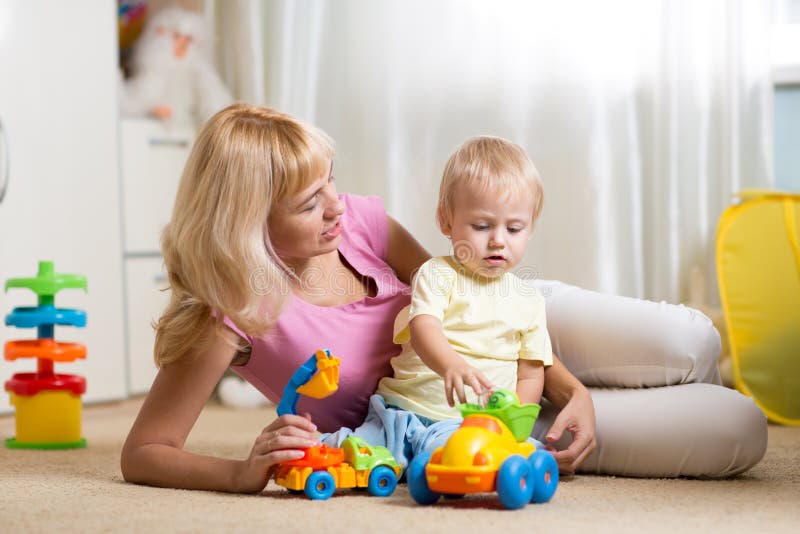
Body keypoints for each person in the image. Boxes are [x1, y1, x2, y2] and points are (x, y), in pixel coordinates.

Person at [121, 103, 766, 494]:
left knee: (691, 341)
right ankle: (686, 398)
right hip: (456, 422)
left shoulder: (360, 223)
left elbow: (462, 285)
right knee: (735, 429)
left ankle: (657, 384)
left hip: (515, 312)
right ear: (248, 222)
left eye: (332, 181)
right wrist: (240, 475)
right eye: (310, 203)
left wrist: (575, 390)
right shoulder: (230, 316)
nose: (338, 206)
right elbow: (145, 452)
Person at [323, 136, 553, 466]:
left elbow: (530, 374)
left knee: (510, 453)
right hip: (407, 412)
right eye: (482, 226)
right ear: (446, 221)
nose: (498, 241)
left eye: (514, 229)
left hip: (472, 425)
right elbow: (423, 328)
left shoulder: (529, 301)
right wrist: (451, 365)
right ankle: (331, 446)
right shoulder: (437, 274)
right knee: (359, 450)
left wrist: (512, 426)